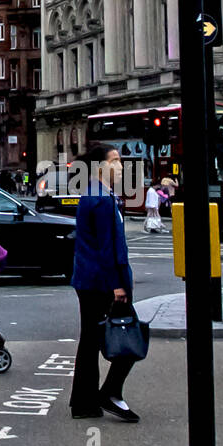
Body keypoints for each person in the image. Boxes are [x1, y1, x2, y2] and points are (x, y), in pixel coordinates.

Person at [69, 143, 140, 423]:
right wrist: (117, 285)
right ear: (100, 167)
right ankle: (108, 392)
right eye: (115, 161)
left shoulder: (97, 195)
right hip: (101, 282)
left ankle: (85, 401)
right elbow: (108, 248)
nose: (121, 166)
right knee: (128, 339)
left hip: (91, 280)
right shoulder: (101, 199)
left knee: (91, 341)